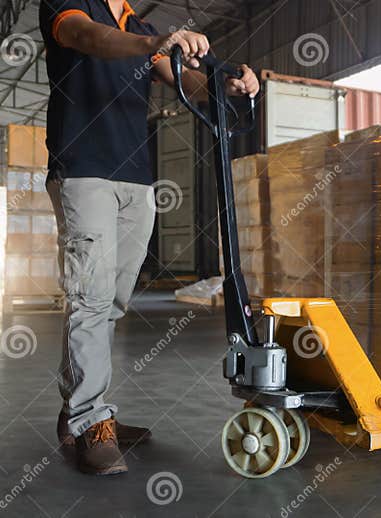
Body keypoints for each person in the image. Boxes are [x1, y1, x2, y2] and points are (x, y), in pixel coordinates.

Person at [39, 0, 259, 475]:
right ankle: (90, 420)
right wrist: (154, 42)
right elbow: (86, 37)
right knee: (90, 299)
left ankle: (80, 412)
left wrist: (228, 84)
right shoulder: (72, 6)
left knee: (113, 301)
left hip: (136, 180)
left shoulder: (137, 24)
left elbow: (185, 82)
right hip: (84, 171)